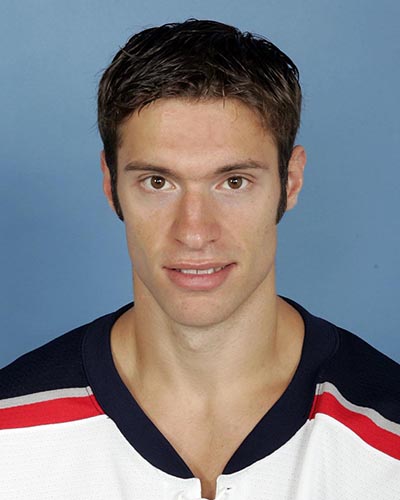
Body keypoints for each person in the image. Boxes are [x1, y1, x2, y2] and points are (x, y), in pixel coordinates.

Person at [0, 19, 399, 500]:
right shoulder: (9, 437)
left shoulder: (389, 440)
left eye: (233, 182)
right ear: (111, 183)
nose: (193, 232)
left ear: (290, 181)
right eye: (158, 182)